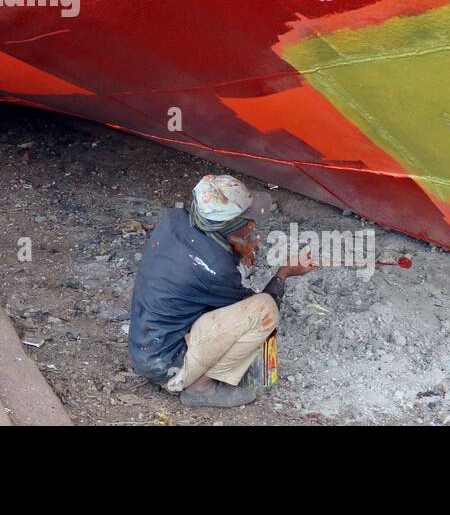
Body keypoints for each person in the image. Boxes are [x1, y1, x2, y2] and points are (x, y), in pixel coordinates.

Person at [128, 174, 313, 407]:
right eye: (246, 220)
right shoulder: (216, 269)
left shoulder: (174, 220)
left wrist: (235, 247)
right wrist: (284, 273)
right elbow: (257, 305)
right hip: (167, 365)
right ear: (232, 226)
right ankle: (201, 387)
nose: (253, 225)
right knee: (264, 310)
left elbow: (203, 257)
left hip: (146, 345)